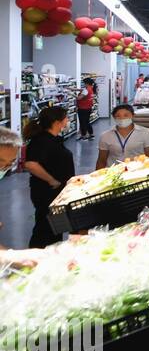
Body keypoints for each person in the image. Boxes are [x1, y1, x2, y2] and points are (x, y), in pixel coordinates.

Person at [22, 107, 74, 248]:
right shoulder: (42, 141)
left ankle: (51, 252)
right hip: (47, 193)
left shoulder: (53, 139)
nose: (68, 121)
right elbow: (31, 164)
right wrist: (52, 180)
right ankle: (37, 256)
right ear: (58, 122)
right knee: (45, 228)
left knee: (54, 227)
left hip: (56, 192)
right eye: (66, 118)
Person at [96, 103, 149, 169]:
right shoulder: (105, 136)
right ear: (114, 118)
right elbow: (101, 160)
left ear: (133, 116)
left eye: (126, 115)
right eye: (118, 116)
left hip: (137, 170)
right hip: (114, 172)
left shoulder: (145, 132)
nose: (122, 118)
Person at [75, 77, 96, 141]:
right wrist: (71, 89)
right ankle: (91, 134)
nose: (84, 84)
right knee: (87, 121)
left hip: (82, 108)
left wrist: (71, 94)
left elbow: (79, 98)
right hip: (88, 108)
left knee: (82, 122)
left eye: (84, 83)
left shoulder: (86, 90)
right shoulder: (90, 89)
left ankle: (84, 136)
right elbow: (80, 89)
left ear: (87, 83)